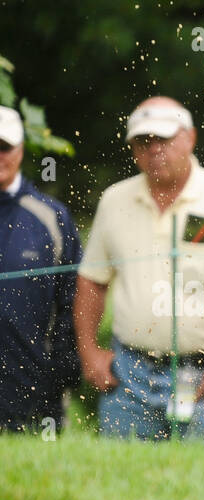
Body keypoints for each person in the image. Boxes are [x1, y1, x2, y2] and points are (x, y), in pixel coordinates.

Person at [75, 98, 204, 445]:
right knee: (123, 481)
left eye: (164, 139)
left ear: (190, 138)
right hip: (130, 372)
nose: (154, 149)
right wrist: (89, 351)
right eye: (143, 141)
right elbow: (92, 280)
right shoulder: (114, 200)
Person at [0, 105, 83, 434]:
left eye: (4, 147)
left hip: (33, 390)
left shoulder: (52, 218)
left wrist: (62, 373)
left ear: (20, 150)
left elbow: (74, 299)